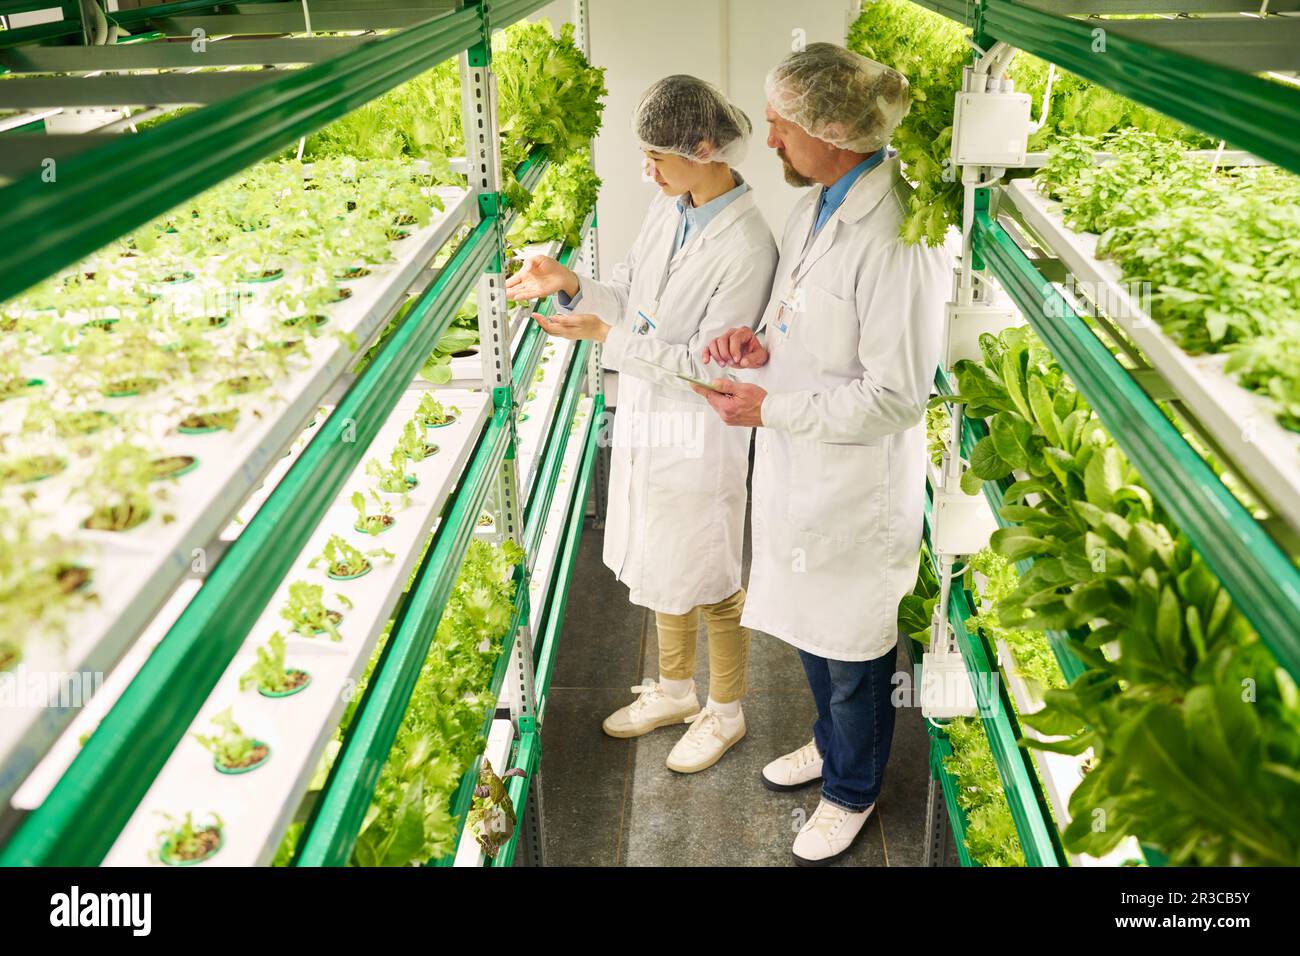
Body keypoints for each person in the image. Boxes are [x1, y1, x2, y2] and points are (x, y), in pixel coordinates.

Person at [687, 44, 950, 864]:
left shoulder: (896, 234)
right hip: (801, 458)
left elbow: (900, 394)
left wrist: (775, 408)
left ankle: (853, 789)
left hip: (852, 482)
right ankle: (831, 747)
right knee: (811, 631)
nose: (767, 143)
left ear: (832, 130)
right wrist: (756, 342)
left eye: (777, 127)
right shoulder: (820, 199)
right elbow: (805, 315)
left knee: (853, 647)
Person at [506, 75, 778, 774]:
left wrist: (610, 338)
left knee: (710, 574)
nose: (647, 169)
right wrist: (569, 282)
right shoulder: (675, 207)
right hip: (652, 422)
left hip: (700, 434)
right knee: (663, 562)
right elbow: (627, 291)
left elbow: (714, 367)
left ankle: (727, 711)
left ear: (708, 148)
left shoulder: (748, 246)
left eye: (658, 155)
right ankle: (675, 691)